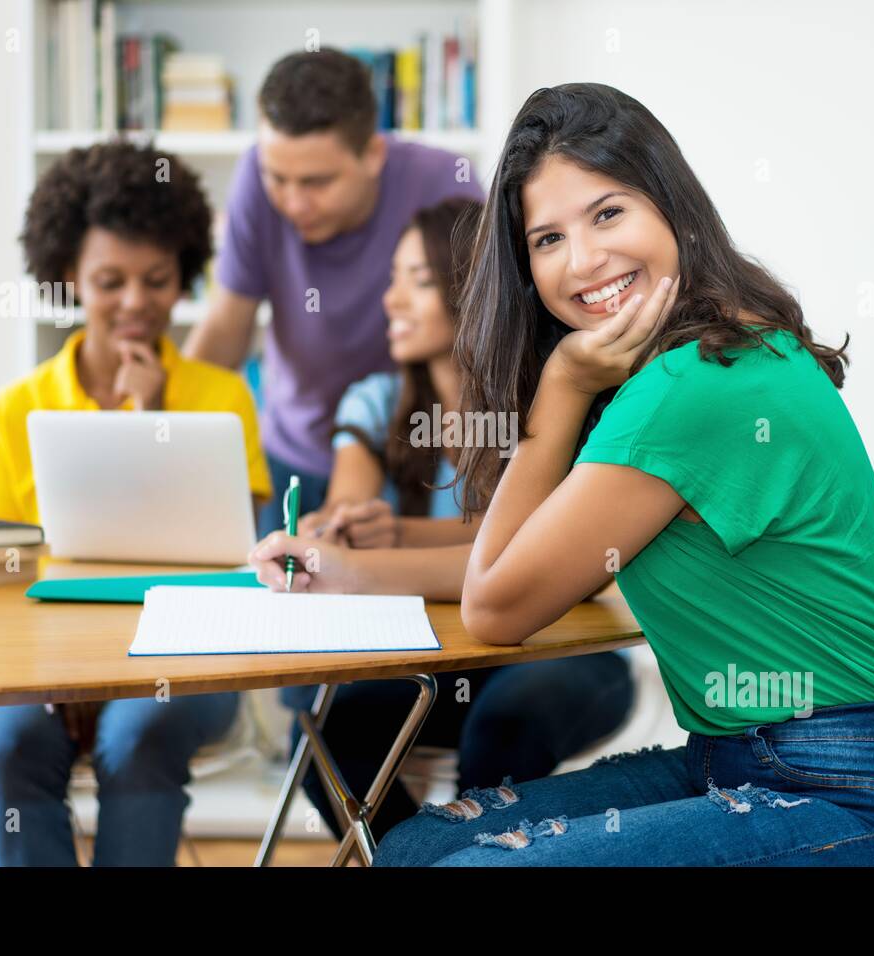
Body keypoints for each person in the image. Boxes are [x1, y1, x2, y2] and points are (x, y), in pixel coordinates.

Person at [254, 83, 874, 866]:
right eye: (548, 239)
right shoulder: (678, 364)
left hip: (863, 787)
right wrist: (351, 570)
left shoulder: (692, 383)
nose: (584, 260)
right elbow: (531, 559)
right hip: (744, 757)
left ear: (673, 208)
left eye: (607, 214)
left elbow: (496, 606)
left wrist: (562, 383)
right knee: (418, 846)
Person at [251, 198, 633, 842]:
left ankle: (467, 856)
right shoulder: (377, 403)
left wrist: (373, 555)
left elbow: (524, 551)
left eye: (418, 281)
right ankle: (432, 859)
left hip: (552, 649)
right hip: (436, 663)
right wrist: (336, 528)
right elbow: (350, 500)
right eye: (394, 278)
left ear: (476, 294)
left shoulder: (560, 396)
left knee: (507, 727)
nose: (392, 300)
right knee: (321, 737)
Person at [0, 140, 272, 866]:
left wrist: (156, 418)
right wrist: (64, 674)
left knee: (140, 737)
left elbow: (238, 563)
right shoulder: (19, 409)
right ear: (69, 276)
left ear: (183, 276)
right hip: (35, 665)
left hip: (188, 662)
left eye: (156, 280)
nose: (135, 302)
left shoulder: (220, 398)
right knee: (7, 746)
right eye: (109, 281)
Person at [184, 48, 484, 535]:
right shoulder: (253, 183)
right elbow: (226, 325)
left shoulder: (441, 184)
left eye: (317, 182)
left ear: (372, 155)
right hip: (295, 448)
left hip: (417, 446)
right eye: (277, 178)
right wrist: (169, 433)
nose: (293, 202)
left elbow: (492, 316)